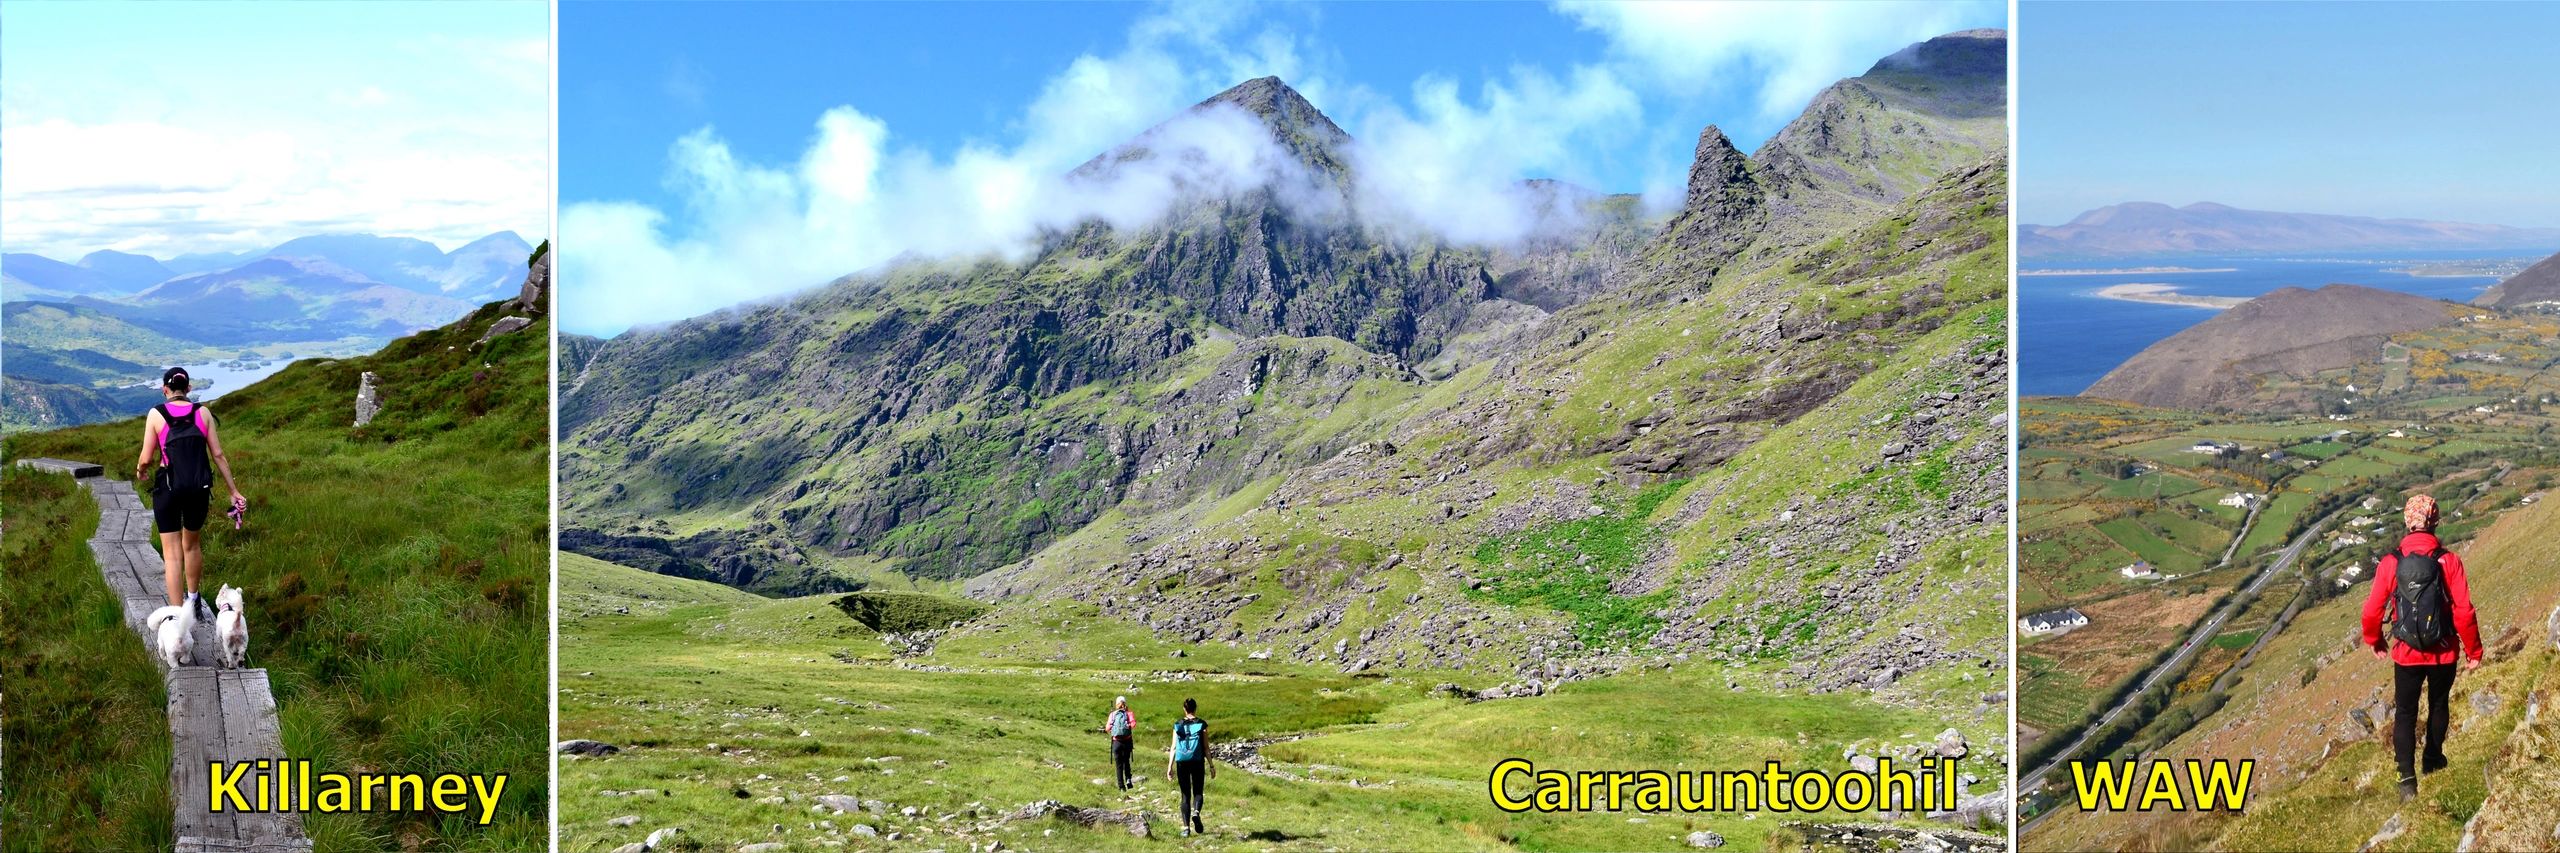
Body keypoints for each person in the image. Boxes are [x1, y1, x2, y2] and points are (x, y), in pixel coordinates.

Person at [2360, 494, 2483, 801]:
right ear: (2435, 521)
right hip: (2443, 651)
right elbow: (2464, 611)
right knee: (2439, 705)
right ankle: (2432, 760)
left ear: (2407, 522)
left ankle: (2406, 780)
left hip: (2406, 653)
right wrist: (2474, 652)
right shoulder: (2448, 560)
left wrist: (2375, 640)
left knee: (2405, 713)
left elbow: (2372, 610)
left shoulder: (2392, 563)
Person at [134, 367, 246, 618]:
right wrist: (233, 490)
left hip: (168, 488)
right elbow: (217, 455)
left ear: (165, 390)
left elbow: (146, 458)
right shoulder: (203, 413)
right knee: (192, 546)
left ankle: (177, 617)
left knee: (172, 555)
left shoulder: (156, 414)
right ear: (189, 389)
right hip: (198, 488)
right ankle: (194, 599)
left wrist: (140, 471)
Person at [1165, 697, 1212, 838]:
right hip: (1197, 761)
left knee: (1185, 795)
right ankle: (1196, 812)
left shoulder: (1178, 724)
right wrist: (1211, 765)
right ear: (1195, 708)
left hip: (1182, 763)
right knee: (1198, 791)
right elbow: (1206, 748)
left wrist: (1169, 767)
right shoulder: (1202, 724)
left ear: (1184, 709)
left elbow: (1173, 748)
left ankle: (1186, 829)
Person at [1102, 696, 1138, 790]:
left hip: (1116, 742)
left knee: (1118, 765)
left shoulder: (1113, 714)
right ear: (1125, 703)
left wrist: (1114, 729)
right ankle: (1128, 779)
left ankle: (1121, 786)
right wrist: (1128, 725)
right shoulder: (1129, 713)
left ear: (1116, 704)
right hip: (1127, 741)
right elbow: (1134, 725)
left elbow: (1107, 728)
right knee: (1126, 761)